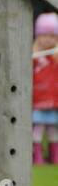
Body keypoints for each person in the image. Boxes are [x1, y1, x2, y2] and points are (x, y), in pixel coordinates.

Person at [33, 13, 58, 166]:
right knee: (38, 129)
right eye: (43, 35)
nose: (47, 39)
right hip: (38, 100)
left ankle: (54, 155)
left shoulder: (55, 58)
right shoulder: (34, 57)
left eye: (51, 35)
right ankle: (38, 156)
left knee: (52, 130)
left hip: (53, 101)